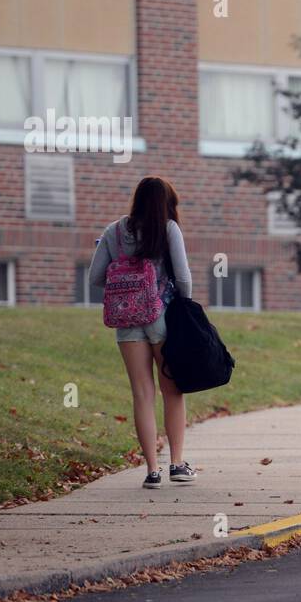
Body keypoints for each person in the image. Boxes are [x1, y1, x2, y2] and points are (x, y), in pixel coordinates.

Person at [88, 177, 195, 488]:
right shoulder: (168, 229)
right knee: (172, 391)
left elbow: (96, 277)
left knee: (142, 394)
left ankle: (152, 470)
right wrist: (183, 306)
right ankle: (177, 464)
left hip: (127, 320)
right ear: (166, 204)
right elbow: (184, 278)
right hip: (163, 317)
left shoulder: (114, 231)